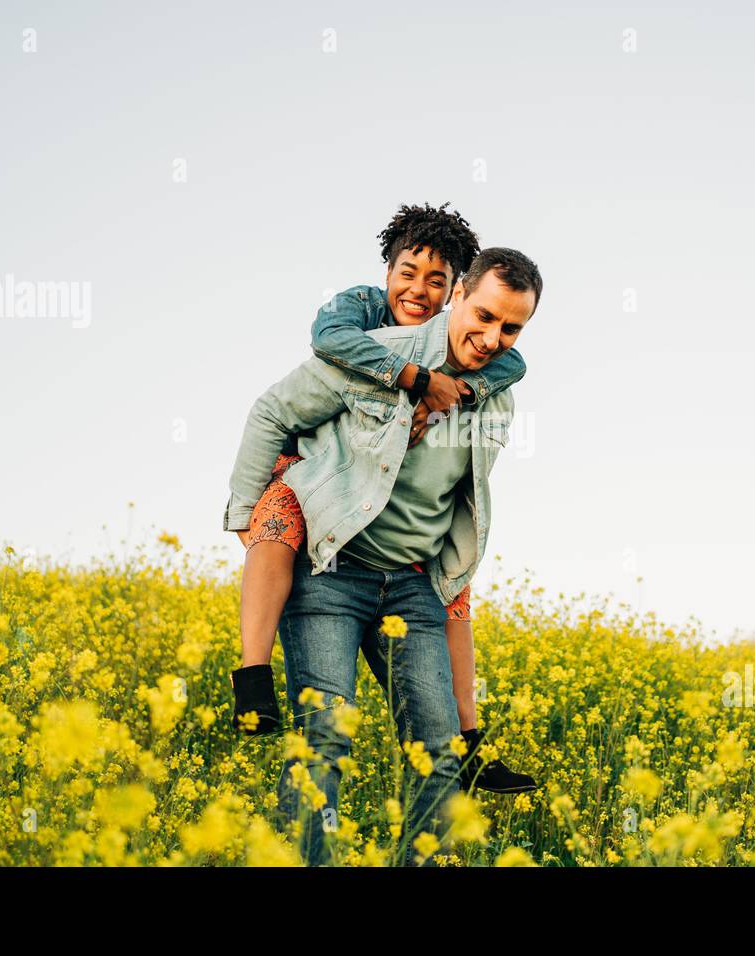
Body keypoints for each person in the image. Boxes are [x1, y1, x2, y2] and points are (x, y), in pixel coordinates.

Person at [223, 247, 541, 863]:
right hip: (332, 573)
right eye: (483, 315)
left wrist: (451, 580)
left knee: (440, 757)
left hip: (415, 586)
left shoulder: (495, 394)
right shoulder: (374, 352)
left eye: (511, 327)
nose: (492, 336)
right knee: (324, 741)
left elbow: (458, 496)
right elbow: (272, 410)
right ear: (458, 296)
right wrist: (248, 521)